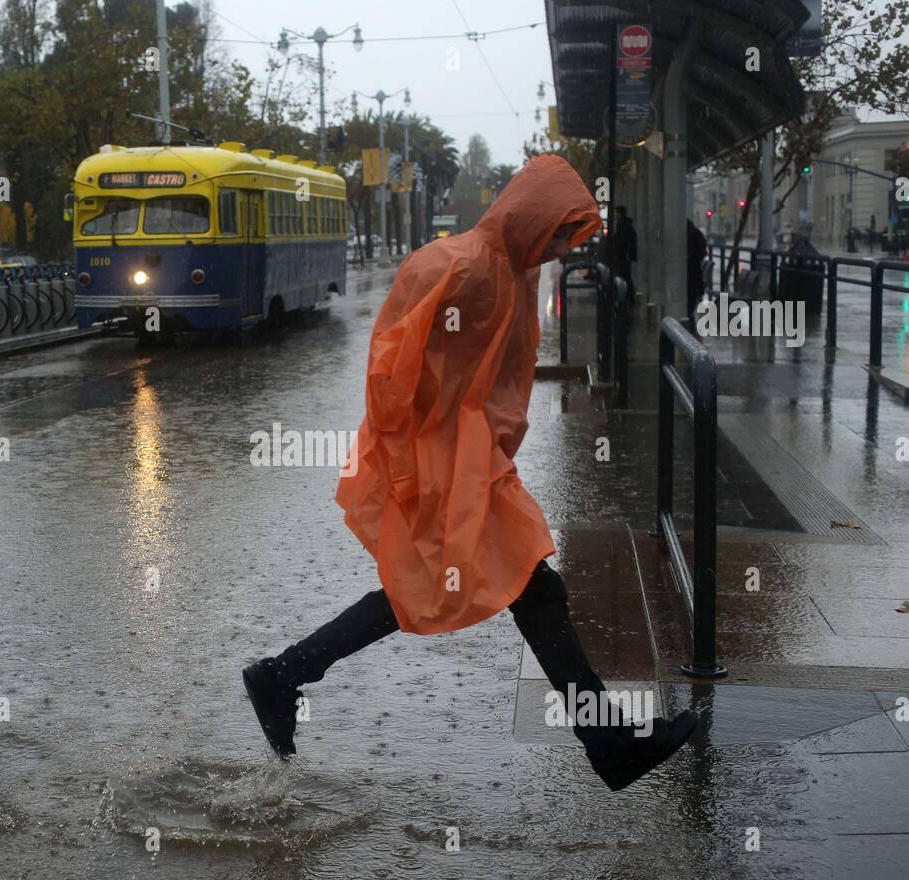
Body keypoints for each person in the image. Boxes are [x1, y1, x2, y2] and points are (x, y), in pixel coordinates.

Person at [242, 155, 699, 792]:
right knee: (476, 588)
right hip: (439, 466)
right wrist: (406, 468)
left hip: (472, 465)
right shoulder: (454, 264)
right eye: (561, 232)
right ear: (532, 216)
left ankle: (283, 674)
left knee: (500, 588)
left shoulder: (512, 274)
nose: (565, 247)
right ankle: (282, 674)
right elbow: (390, 371)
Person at [610, 205, 637, 304]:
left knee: (624, 276)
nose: (615, 215)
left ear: (619, 213)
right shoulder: (626, 224)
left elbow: (621, 240)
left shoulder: (621, 224)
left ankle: (626, 297)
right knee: (626, 276)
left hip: (622, 256)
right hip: (626, 255)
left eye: (616, 212)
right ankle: (629, 297)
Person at [686, 219, 709, 319]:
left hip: (689, 271)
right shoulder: (697, 234)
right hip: (695, 270)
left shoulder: (685, 236)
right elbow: (703, 252)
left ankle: (688, 314)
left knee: (690, 291)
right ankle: (690, 314)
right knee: (692, 292)